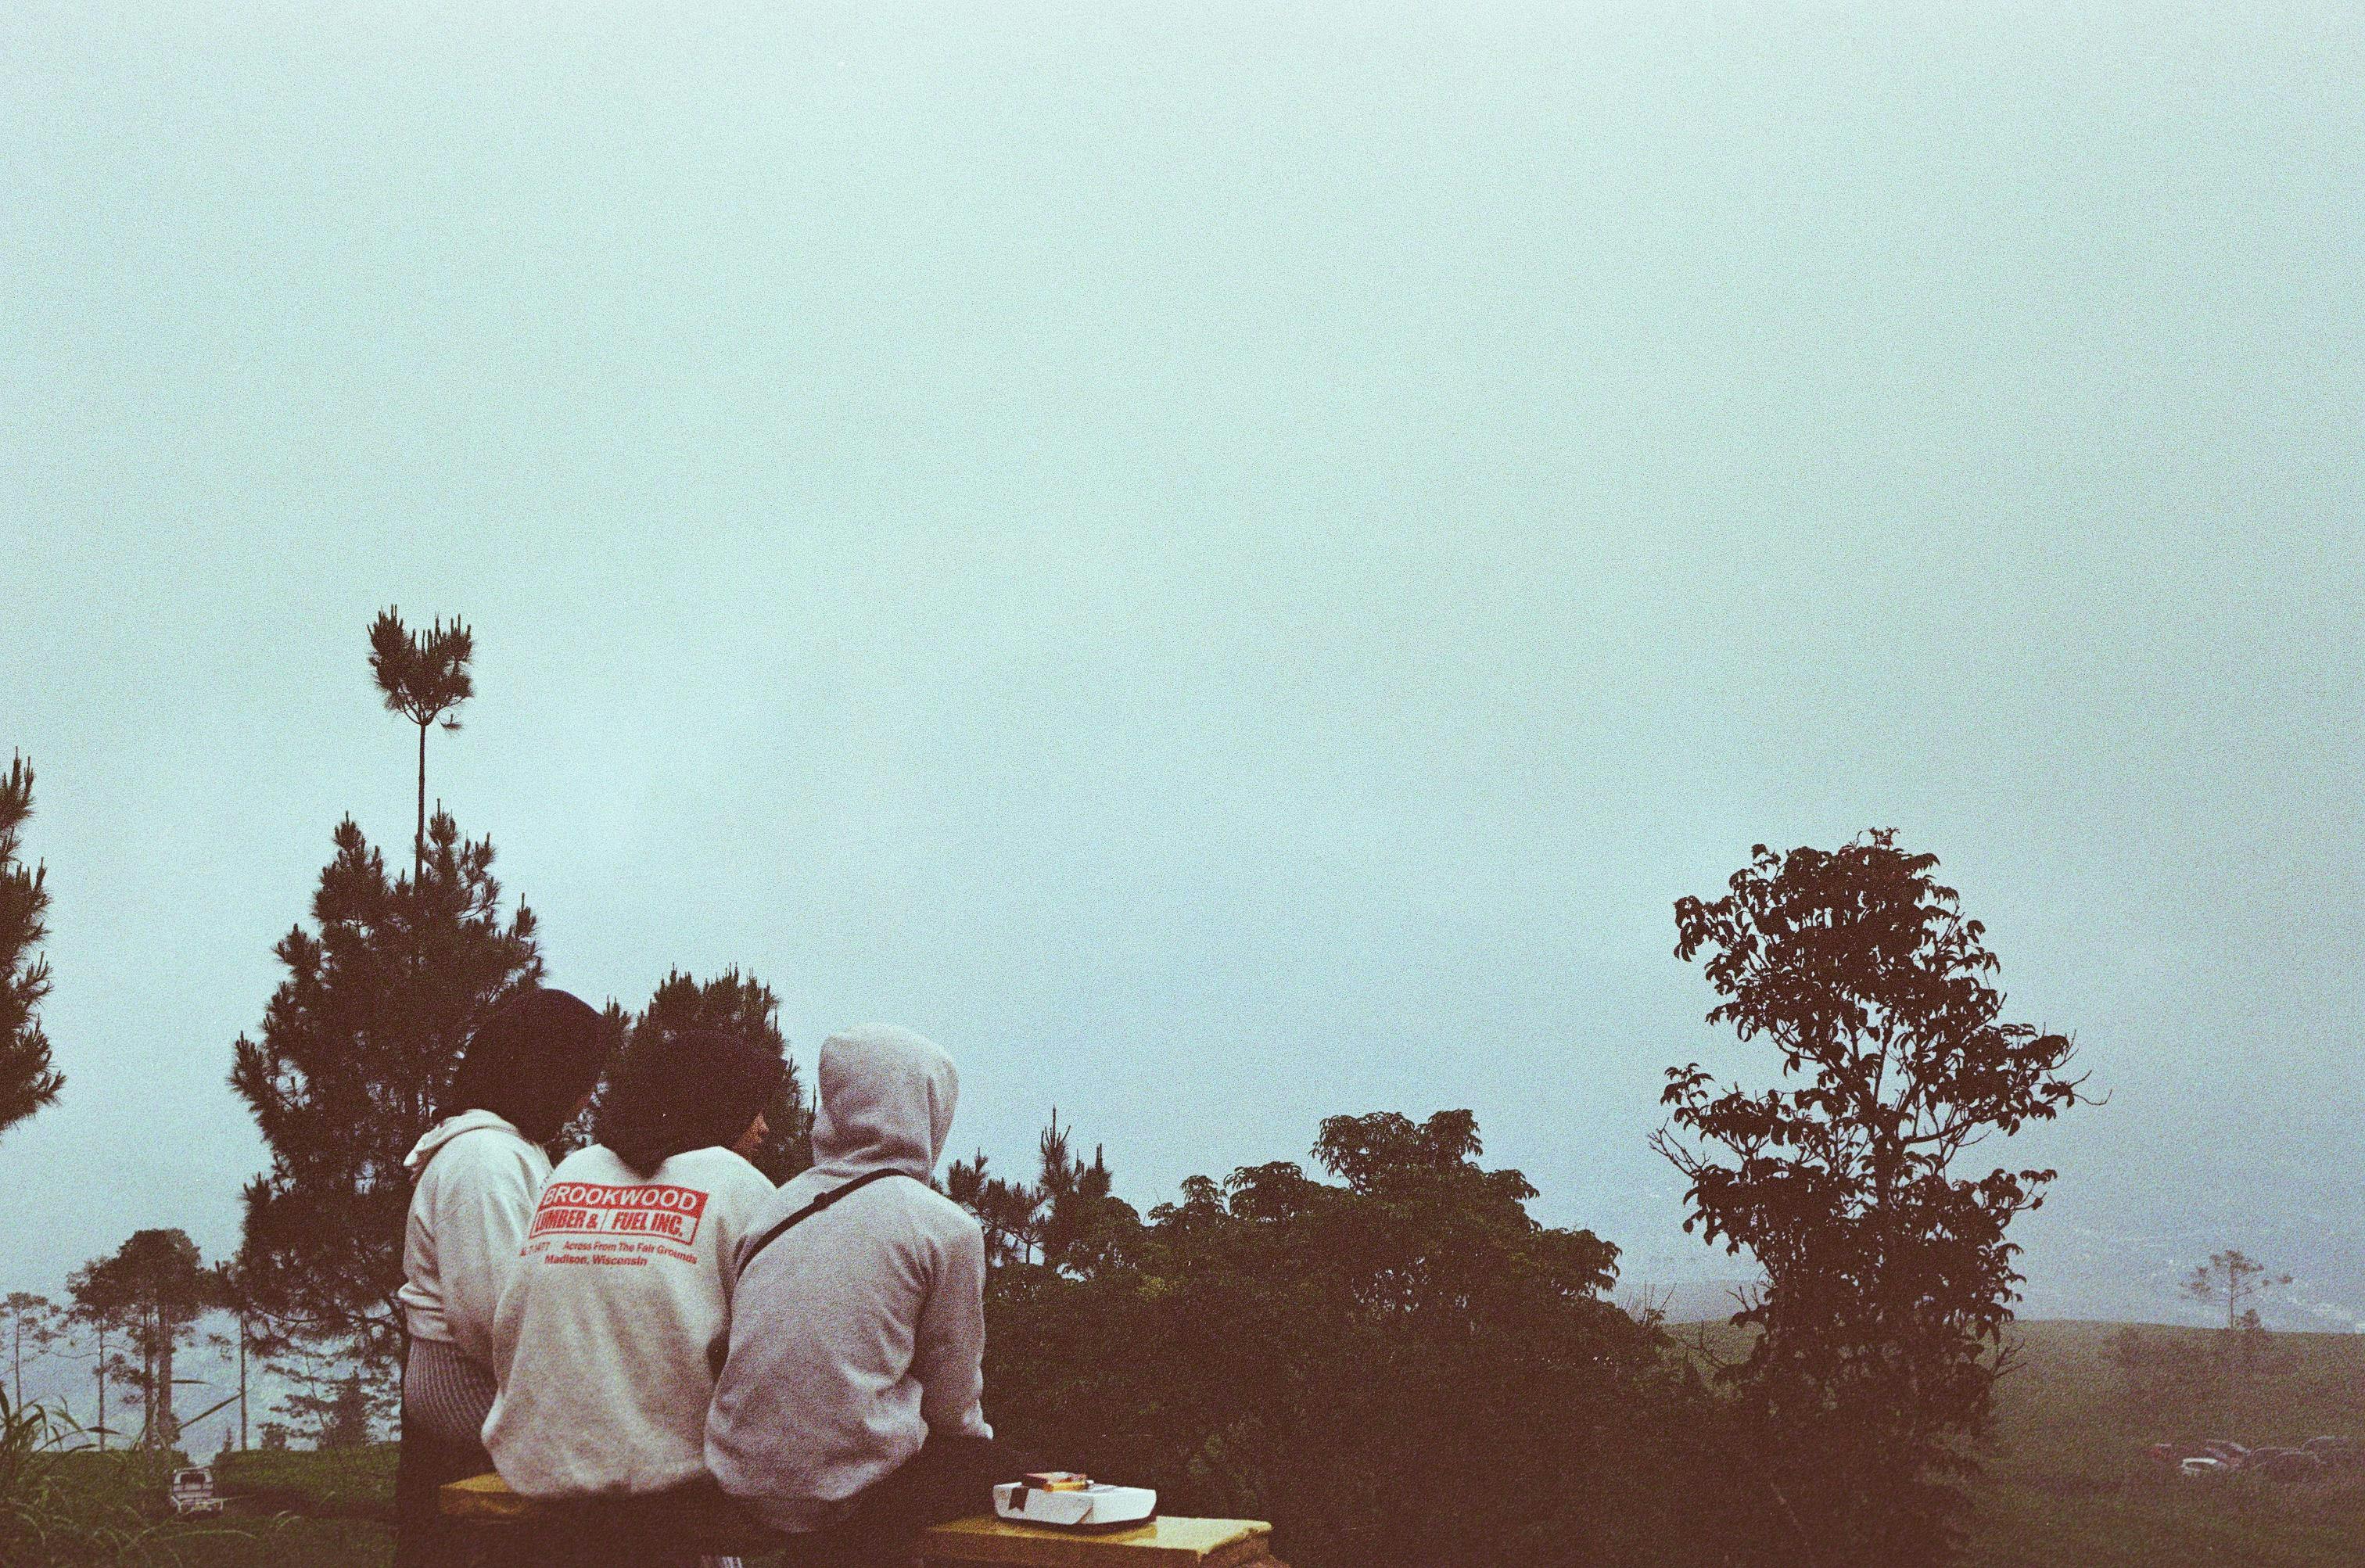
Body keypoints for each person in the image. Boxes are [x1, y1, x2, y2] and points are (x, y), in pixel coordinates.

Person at [705, 1024, 1031, 1567]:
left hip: (742, 1478)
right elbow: (954, 1405)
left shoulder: (773, 1209)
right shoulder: (943, 1227)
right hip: (847, 1498)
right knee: (1004, 1464)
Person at [483, 1025, 784, 1565]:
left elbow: (512, 1318)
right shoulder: (738, 1185)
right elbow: (775, 1349)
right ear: (715, 1101)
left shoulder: (575, 1168)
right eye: (752, 1108)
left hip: (540, 1461)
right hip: (667, 1485)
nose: (764, 1127)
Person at [394, 986, 610, 1568]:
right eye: (583, 1076)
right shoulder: (484, 1159)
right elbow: (488, 1315)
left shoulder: (510, 1149)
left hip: (483, 1384)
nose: (588, 1096)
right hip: (469, 1387)